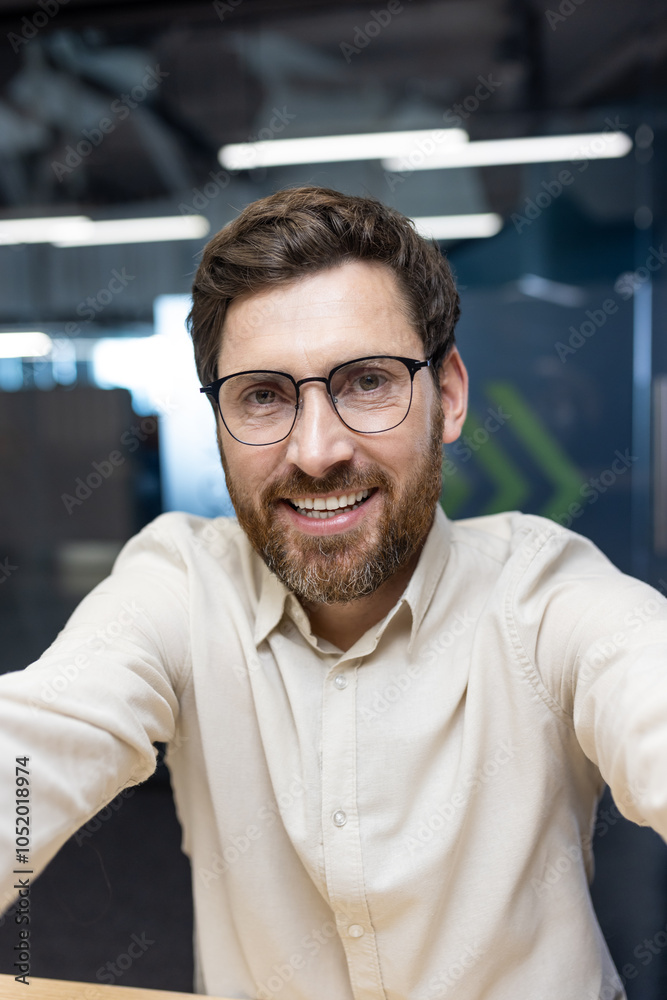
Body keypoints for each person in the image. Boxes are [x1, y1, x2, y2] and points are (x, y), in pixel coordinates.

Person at [1, 185, 666, 1000]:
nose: (316, 450)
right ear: (216, 420)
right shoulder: (181, 585)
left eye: (366, 382)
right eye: (263, 395)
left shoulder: (545, 596)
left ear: (448, 396)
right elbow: (29, 755)